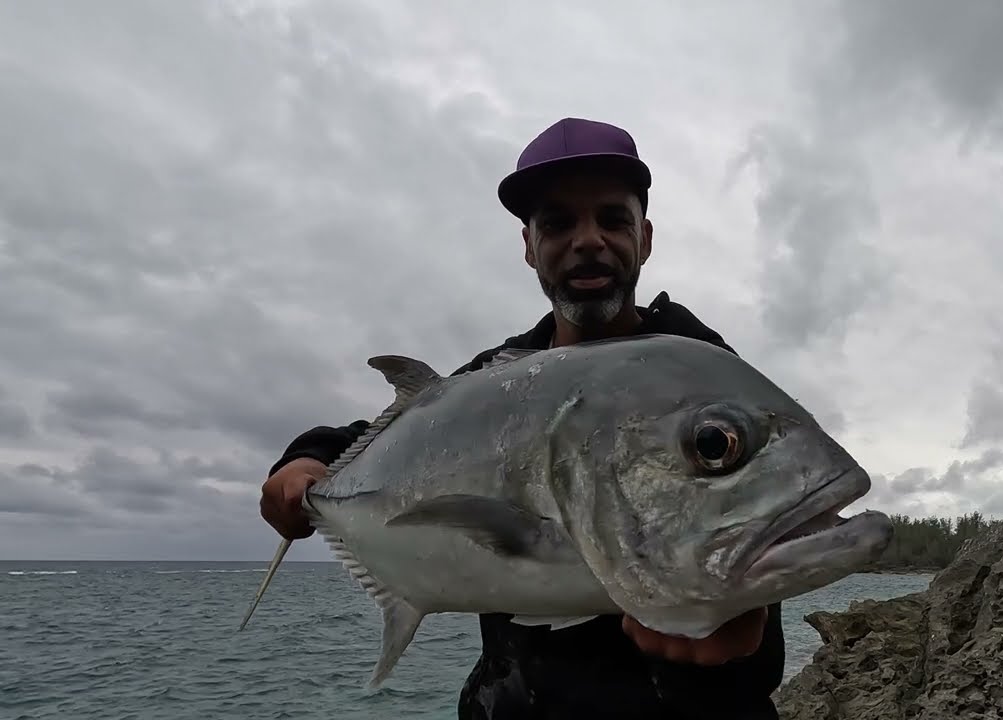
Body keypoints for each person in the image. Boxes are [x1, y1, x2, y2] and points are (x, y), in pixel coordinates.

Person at [258, 117, 785, 719]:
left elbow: (755, 537)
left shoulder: (703, 380)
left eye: (612, 218)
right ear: (530, 247)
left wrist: (747, 628)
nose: (588, 240)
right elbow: (386, 438)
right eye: (557, 223)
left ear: (645, 237)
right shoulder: (493, 384)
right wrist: (305, 461)